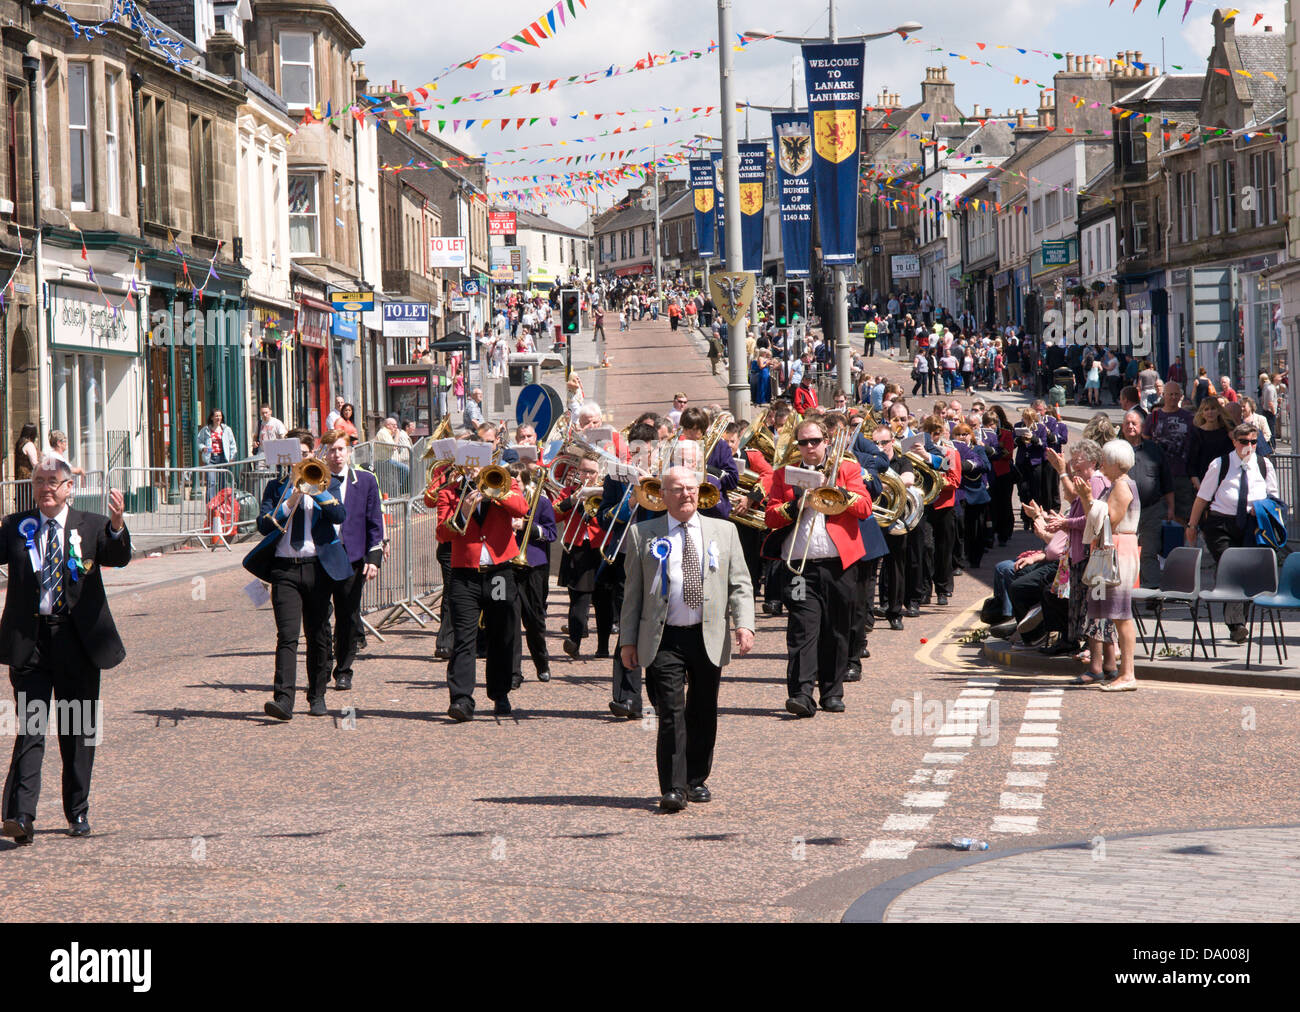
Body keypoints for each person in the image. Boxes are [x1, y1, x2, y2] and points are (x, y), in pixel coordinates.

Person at [0, 455, 130, 844]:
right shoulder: (16, 527)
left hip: (78, 642)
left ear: (69, 487)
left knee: (77, 730)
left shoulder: (90, 525)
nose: (45, 489)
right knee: (32, 728)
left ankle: (77, 810)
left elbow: (118, 555)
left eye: (53, 482)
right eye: (39, 481)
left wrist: (119, 524)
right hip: (32, 643)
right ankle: (20, 816)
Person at [620, 467, 754, 811]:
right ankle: (674, 787)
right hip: (664, 637)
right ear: (662, 495)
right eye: (676, 489)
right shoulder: (642, 534)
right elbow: (632, 595)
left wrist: (745, 624)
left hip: (707, 635)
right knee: (670, 711)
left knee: (703, 709)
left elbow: (740, 583)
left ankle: (696, 779)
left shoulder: (724, 531)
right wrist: (628, 642)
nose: (685, 495)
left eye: (691, 488)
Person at [766, 417, 873, 716]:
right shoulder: (785, 475)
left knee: (837, 630)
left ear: (826, 441)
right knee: (802, 629)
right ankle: (801, 694)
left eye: (815, 441)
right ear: (797, 445)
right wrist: (795, 505)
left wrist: (836, 490)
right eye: (803, 442)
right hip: (800, 567)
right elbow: (771, 517)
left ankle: (832, 692)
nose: (810, 447)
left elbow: (864, 508)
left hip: (840, 566)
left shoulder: (846, 469)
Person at [250, 428, 349, 720]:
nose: (302, 461)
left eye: (306, 455)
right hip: (284, 569)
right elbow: (264, 525)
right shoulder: (276, 487)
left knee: (318, 635)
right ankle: (283, 699)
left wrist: (316, 492)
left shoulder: (324, 482)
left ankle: (317, 694)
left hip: (317, 568)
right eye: (297, 457)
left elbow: (339, 516)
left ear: (312, 455)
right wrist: (291, 499)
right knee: (287, 636)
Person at [434, 443, 531, 720]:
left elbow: (521, 508)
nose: (475, 469)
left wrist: (495, 492)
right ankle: (461, 699)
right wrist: (463, 511)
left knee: (501, 633)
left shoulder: (503, 482)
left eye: (479, 464)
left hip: (499, 572)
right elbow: (442, 533)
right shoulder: (449, 493)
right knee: (464, 637)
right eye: (470, 465)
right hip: (465, 575)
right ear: (463, 466)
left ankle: (499, 692)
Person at [1187, 422, 1279, 644]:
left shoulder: (1264, 465)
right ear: (1234, 442)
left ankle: (1239, 623)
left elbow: (1274, 497)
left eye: (1253, 442)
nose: (1249, 446)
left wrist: (1272, 520)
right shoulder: (1220, 464)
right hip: (1221, 525)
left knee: (1245, 573)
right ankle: (1236, 623)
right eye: (1244, 442)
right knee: (1233, 568)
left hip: (1251, 524)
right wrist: (1191, 526)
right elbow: (1203, 498)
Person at [1073, 440, 1140, 690]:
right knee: (1112, 613)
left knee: (1121, 615)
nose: (1102, 465)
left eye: (1104, 460)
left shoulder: (1122, 486)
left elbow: (1108, 522)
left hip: (1119, 551)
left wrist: (1087, 497)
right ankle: (1121, 672)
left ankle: (1128, 674)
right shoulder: (1117, 484)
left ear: (1115, 462)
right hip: (1112, 550)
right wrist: (1086, 497)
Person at [321, 430, 383, 692]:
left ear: (348, 452)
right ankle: (322, 666)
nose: (336, 455)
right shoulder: (317, 479)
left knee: (348, 616)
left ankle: (344, 669)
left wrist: (374, 557)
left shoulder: (366, 480)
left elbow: (374, 522)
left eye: (340, 449)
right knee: (319, 616)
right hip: (321, 556)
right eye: (331, 450)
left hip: (351, 557)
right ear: (325, 453)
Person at [508, 461, 556, 689]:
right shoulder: (502, 502)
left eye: (516, 481)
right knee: (510, 621)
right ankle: (514, 672)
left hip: (534, 565)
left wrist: (529, 527)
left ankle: (542, 662)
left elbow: (551, 533)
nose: (512, 485)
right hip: (508, 565)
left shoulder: (541, 502)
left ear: (525, 482)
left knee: (534, 620)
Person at [1121, 410, 1174, 589]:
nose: (1130, 426)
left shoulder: (1154, 450)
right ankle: (1126, 592)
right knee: (1124, 553)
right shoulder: (1115, 449)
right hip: (1123, 512)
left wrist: (1171, 508)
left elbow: (1167, 480)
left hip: (1151, 509)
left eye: (1134, 423)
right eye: (1127, 423)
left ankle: (1152, 591)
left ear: (1142, 426)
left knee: (1149, 551)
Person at [1143, 382, 1197, 523]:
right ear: (1164, 396)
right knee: (1158, 516)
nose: (1173, 397)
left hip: (1182, 475)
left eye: (1176, 394)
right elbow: (1145, 444)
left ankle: (1183, 544)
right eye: (1170, 394)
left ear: (1180, 396)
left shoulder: (1189, 418)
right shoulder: (1153, 418)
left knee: (1183, 517)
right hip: (1158, 476)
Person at [197, 409, 237, 501]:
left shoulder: (226, 430)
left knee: (223, 482)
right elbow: (198, 441)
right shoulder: (206, 430)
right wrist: (203, 448)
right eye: (216, 416)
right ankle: (210, 505)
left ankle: (222, 503)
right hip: (211, 458)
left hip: (223, 457)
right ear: (212, 417)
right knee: (211, 482)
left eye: (220, 416)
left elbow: (232, 444)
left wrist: (232, 457)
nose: (218, 418)